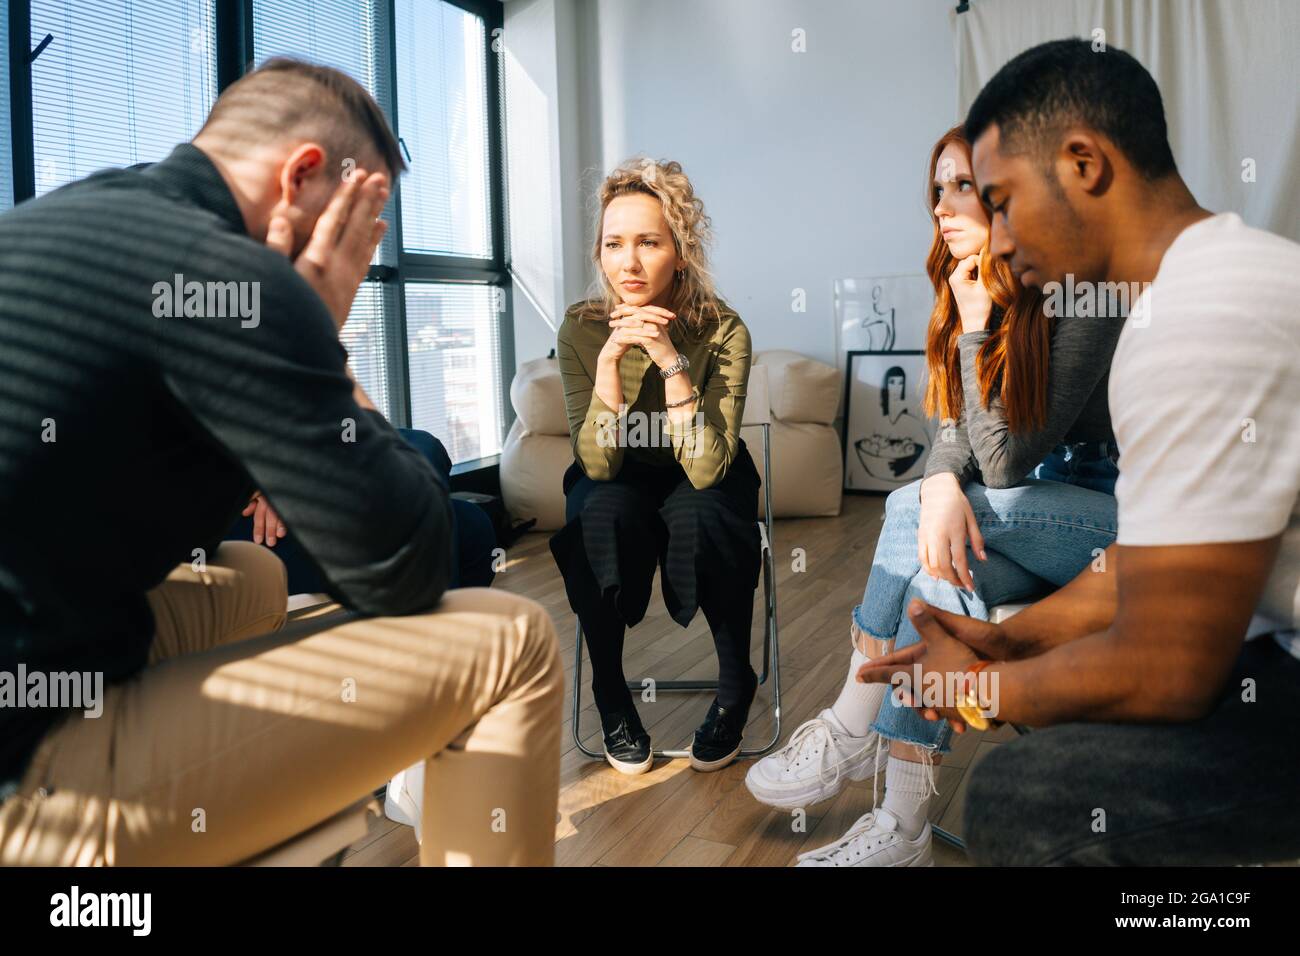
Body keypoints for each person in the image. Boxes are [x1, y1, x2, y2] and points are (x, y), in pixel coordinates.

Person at [0, 58, 562, 866]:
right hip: (27, 783)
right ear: (302, 176)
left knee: (253, 578)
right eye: (364, 224)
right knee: (513, 642)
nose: (366, 255)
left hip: (41, 650)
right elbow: (411, 565)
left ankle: (249, 803)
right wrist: (319, 328)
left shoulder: (82, 213)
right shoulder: (233, 280)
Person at [860, 38, 1300, 865]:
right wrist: (1009, 642)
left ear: (1083, 164)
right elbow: (1148, 561)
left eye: (1002, 201)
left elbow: (1168, 670)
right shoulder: (1188, 291)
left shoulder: (1207, 316)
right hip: (1267, 643)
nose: (995, 236)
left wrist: (975, 689)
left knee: (1021, 800)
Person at [747, 125, 1122, 867]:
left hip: (1111, 526)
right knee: (935, 578)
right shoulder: (974, 284)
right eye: (938, 189)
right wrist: (944, 480)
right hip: (1026, 518)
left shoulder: (1086, 292)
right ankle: (904, 824)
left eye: (964, 188)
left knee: (905, 507)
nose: (942, 207)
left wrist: (977, 334)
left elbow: (1005, 465)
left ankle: (853, 718)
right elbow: (956, 432)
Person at [549, 157, 762, 775]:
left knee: (705, 513)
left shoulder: (723, 329)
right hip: (619, 473)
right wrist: (609, 366)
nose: (629, 263)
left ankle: (734, 687)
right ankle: (611, 695)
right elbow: (597, 463)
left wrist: (669, 360)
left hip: (701, 467)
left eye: (649, 242)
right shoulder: (580, 329)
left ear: (681, 252)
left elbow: (706, 468)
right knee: (598, 512)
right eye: (613, 244)